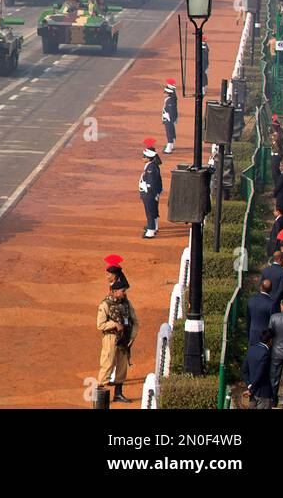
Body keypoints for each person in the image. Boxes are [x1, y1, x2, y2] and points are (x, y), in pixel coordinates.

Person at [96, 271, 137, 403]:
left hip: (124, 339)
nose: (124, 293)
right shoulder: (105, 305)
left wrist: (132, 337)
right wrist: (114, 324)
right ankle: (101, 398)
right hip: (110, 339)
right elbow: (100, 325)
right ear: (114, 291)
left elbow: (135, 321)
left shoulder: (127, 303)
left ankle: (118, 394)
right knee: (107, 365)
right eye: (122, 290)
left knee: (122, 367)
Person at [268, 298, 283, 408]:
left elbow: (269, 335)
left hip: (276, 352)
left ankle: (273, 401)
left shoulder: (274, 317)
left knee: (274, 378)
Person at [242, 328, 274, 409]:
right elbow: (260, 374)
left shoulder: (251, 349)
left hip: (252, 394)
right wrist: (251, 389)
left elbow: (244, 370)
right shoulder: (266, 353)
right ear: (270, 340)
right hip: (263, 393)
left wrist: (249, 386)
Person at [138, 138, 163, 239]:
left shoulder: (151, 168)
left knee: (150, 211)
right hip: (152, 193)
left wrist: (147, 188)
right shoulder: (152, 165)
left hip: (149, 193)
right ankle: (154, 226)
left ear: (149, 158)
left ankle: (151, 231)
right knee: (154, 211)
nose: (142, 158)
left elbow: (151, 183)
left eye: (144, 156)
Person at [248, 279, 278, 345]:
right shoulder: (272, 304)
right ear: (271, 289)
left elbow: (248, 319)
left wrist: (248, 333)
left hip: (252, 334)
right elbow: (274, 323)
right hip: (266, 337)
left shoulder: (251, 300)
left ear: (260, 287)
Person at [160, 80, 178, 154]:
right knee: (171, 131)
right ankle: (170, 145)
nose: (164, 93)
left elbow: (171, 111)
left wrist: (169, 118)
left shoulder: (170, 101)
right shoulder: (171, 99)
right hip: (169, 118)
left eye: (165, 92)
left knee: (169, 132)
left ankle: (169, 147)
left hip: (168, 119)